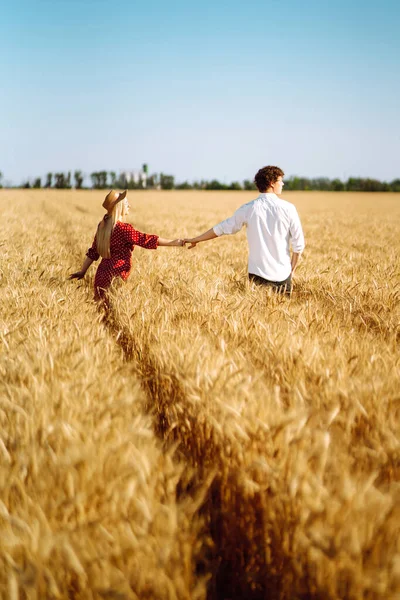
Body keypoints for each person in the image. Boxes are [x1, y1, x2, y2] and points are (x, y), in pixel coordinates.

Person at [183, 166, 305, 294]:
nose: (282, 184)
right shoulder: (289, 208)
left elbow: (222, 228)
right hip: (283, 274)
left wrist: (197, 239)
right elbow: (299, 245)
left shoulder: (248, 208)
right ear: (272, 183)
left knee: (257, 313)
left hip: (257, 273)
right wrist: (292, 270)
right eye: (280, 181)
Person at [69, 190, 184, 302]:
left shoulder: (102, 226)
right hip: (116, 275)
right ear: (119, 206)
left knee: (101, 308)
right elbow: (145, 240)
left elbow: (93, 252)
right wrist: (173, 242)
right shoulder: (123, 228)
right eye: (126, 203)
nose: (129, 205)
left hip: (101, 274)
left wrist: (83, 271)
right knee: (114, 308)